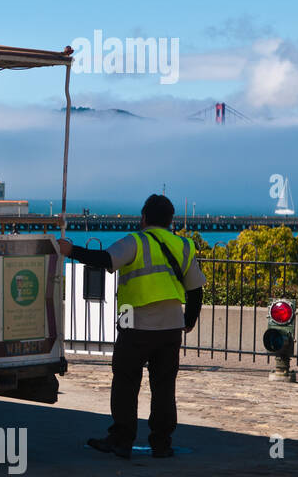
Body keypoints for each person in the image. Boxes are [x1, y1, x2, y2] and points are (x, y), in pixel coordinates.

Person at [57, 194, 204, 459]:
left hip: (134, 323)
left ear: (144, 218)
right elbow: (196, 290)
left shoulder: (135, 242)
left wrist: (72, 251)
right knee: (164, 386)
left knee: (126, 382)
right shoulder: (184, 245)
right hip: (170, 326)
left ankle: (122, 439)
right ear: (170, 220)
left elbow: (104, 259)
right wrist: (189, 321)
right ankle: (162, 443)